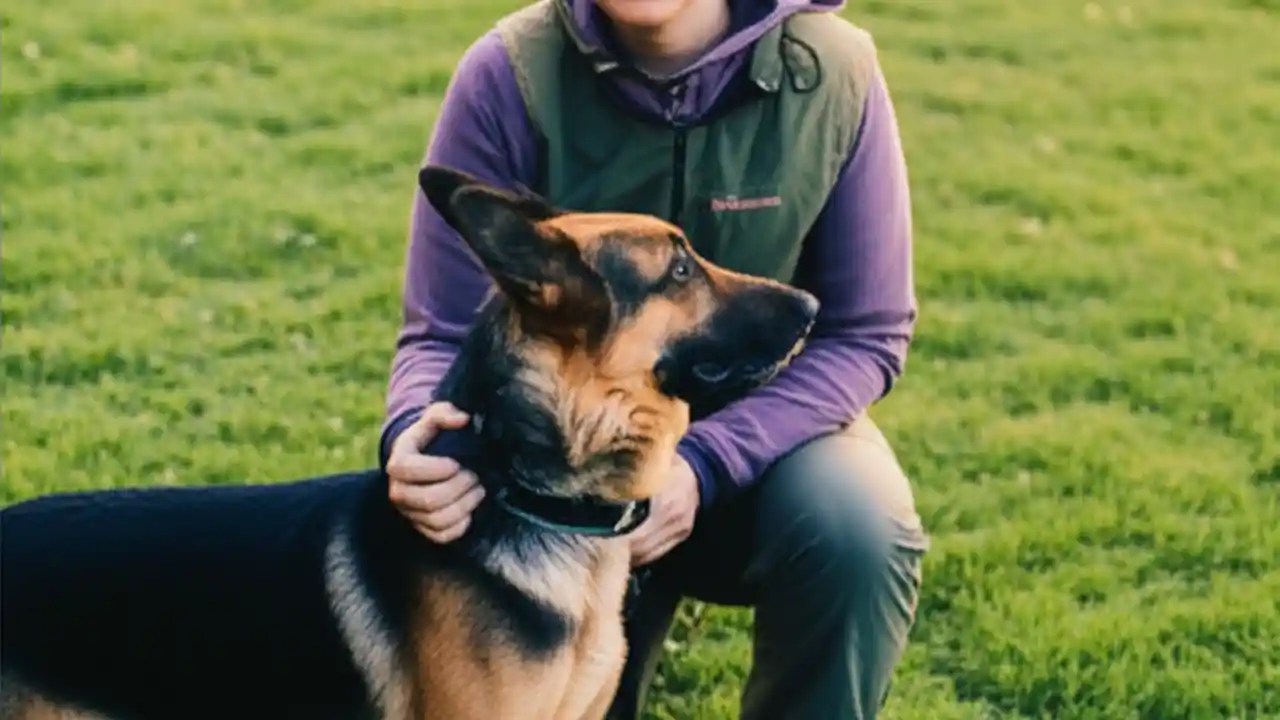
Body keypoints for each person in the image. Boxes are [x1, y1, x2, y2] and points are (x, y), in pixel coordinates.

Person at [379, 0, 929, 717]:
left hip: (760, 451)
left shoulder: (835, 74)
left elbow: (866, 332)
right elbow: (442, 330)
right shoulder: (508, 72)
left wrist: (702, 464)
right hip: (555, 466)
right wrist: (416, 438)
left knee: (856, 529)